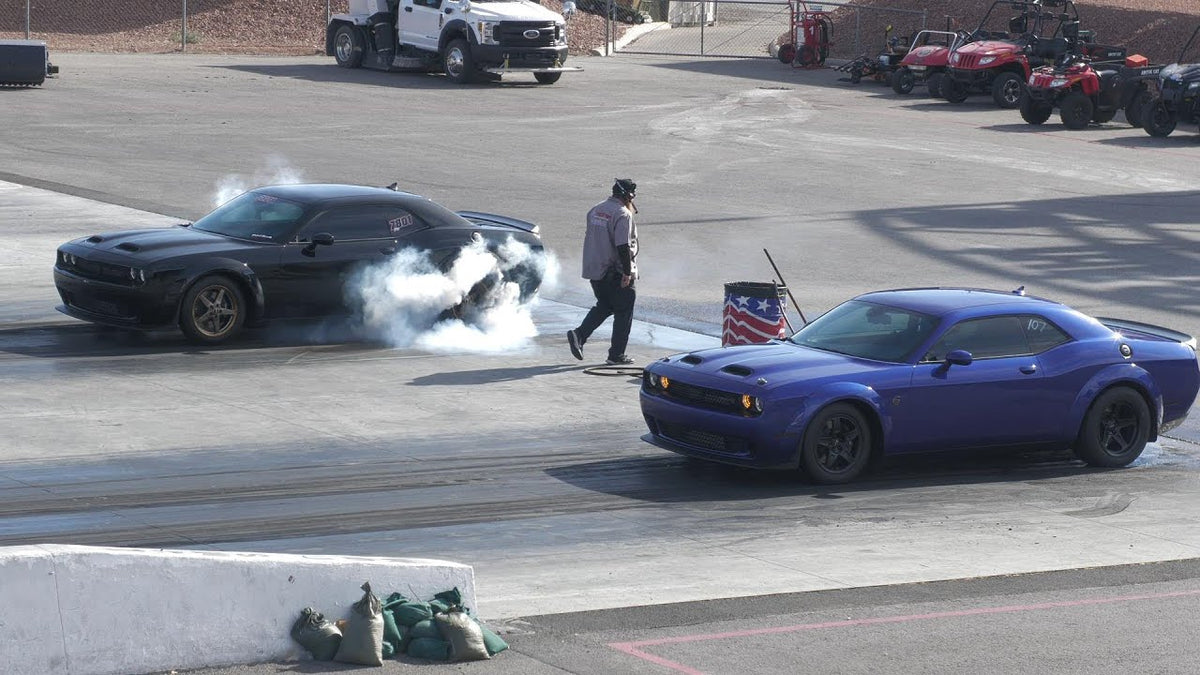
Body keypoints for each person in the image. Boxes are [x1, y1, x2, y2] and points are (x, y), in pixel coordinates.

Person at [568, 178, 639, 365]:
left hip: (595, 272)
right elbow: (623, 246)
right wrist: (626, 272)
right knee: (624, 311)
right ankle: (616, 355)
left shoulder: (596, 210)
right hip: (614, 271)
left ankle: (579, 335)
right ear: (627, 195)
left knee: (606, 305)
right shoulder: (622, 214)